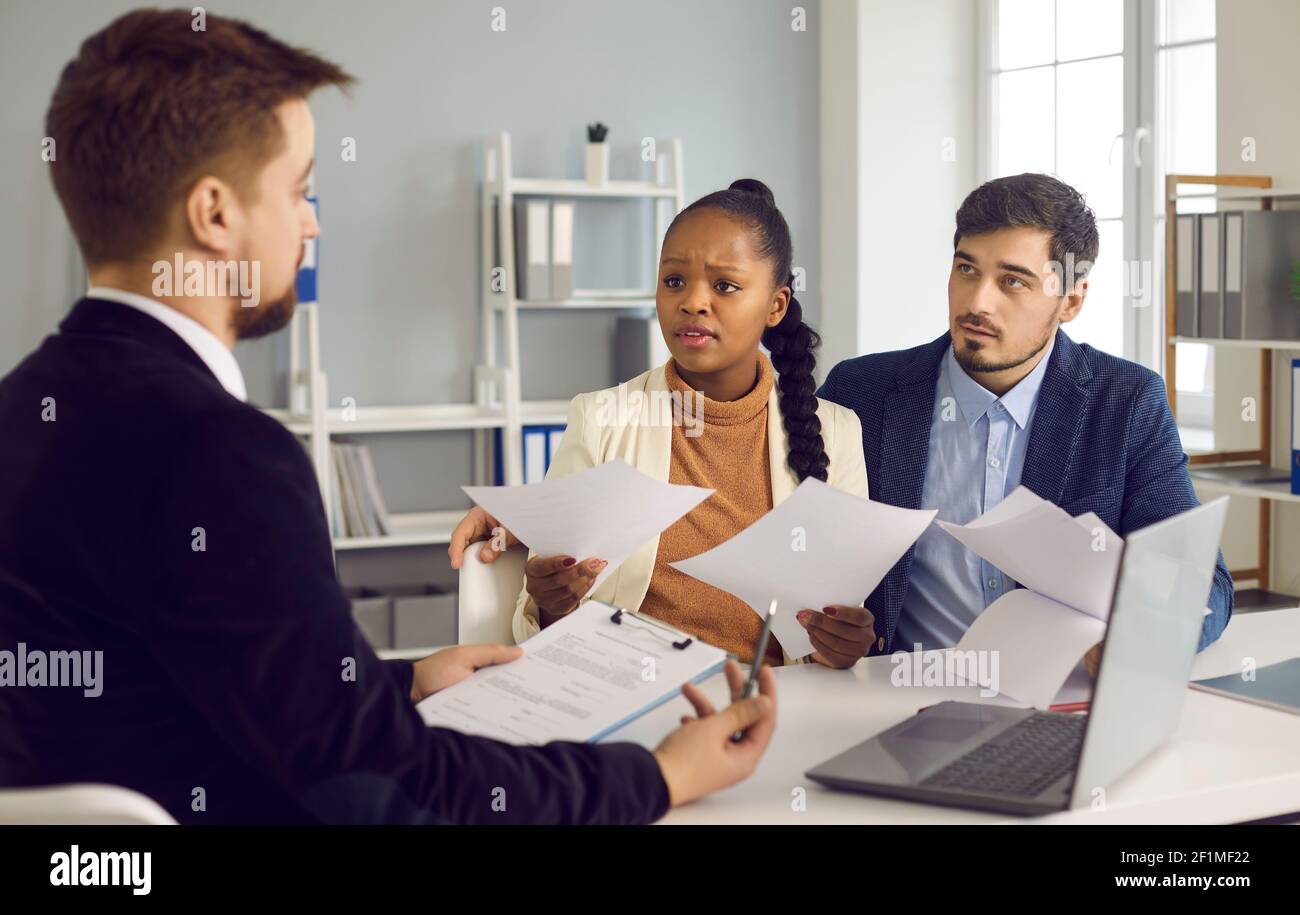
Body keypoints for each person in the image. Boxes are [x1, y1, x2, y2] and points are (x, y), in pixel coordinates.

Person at [0, 7, 775, 825]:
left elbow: (165, 688)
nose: (312, 220)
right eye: (298, 190)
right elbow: (392, 786)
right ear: (215, 214)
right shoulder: (224, 455)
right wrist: (656, 777)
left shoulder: (21, 413)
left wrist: (393, 684)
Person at [814, 172, 1234, 670]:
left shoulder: (1126, 401)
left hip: (1053, 702)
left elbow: (1203, 585)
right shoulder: (863, 392)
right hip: (896, 696)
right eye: (967, 270)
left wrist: (1138, 639)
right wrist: (830, 628)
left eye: (1012, 280)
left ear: (1071, 300)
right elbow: (807, 559)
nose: (977, 303)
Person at [451, 180, 872, 667]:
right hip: (627, 698)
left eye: (724, 286)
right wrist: (552, 602)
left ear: (775, 306)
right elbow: (544, 627)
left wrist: (843, 645)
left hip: (771, 705)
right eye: (674, 282)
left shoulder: (837, 433)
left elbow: (835, 628)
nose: (693, 302)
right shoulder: (600, 420)